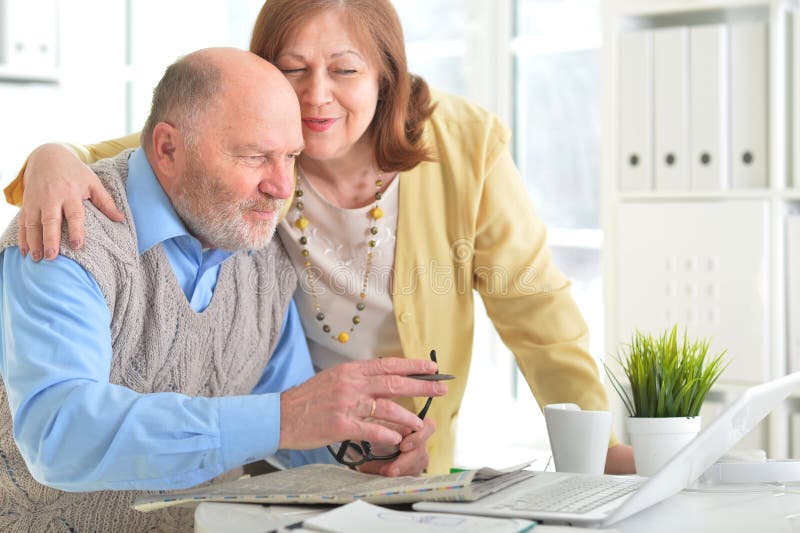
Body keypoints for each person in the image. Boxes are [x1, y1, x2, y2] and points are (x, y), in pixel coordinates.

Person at [5, 0, 635, 475]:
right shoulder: (248, 162)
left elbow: (538, 314)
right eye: (293, 70)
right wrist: (54, 156)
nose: (316, 96)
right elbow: (161, 147)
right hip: (266, 451)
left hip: (377, 457)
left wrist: (599, 451)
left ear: (386, 75)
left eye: (345, 69)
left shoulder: (463, 148)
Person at [0, 47, 445, 532]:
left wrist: (363, 446)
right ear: (168, 149)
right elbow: (59, 434)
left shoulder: (265, 258)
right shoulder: (66, 233)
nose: (281, 187)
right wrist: (285, 417)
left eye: (291, 157)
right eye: (254, 156)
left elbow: (292, 420)